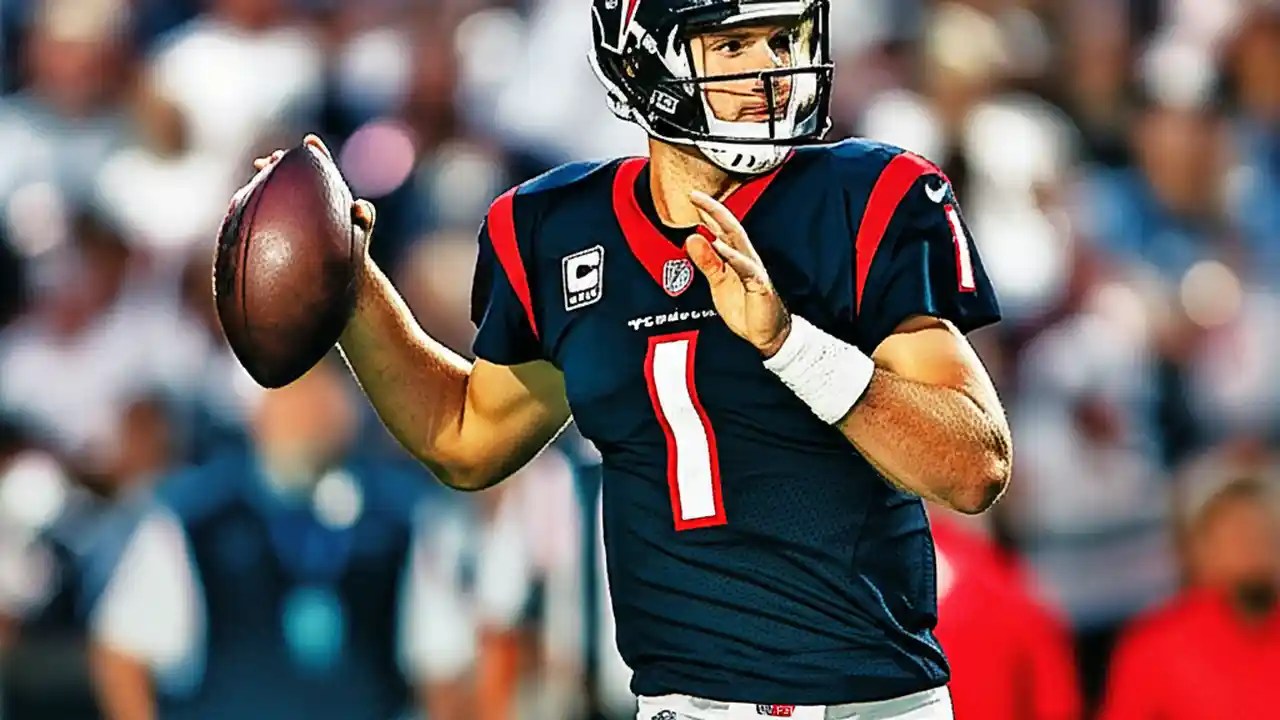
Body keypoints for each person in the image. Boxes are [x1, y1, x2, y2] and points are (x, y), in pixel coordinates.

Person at [256, 1, 1011, 717]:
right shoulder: (556, 229)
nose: (772, 71)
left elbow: (973, 467)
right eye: (732, 44)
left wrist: (791, 344)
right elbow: (463, 437)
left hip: (874, 704)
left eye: (783, 38)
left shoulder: (865, 197)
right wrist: (352, 286)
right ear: (642, 56)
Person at [87, 361, 475, 720]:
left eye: (318, 395)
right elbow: (123, 652)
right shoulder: (195, 517)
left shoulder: (401, 518)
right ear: (257, 410)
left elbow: (442, 666)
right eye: (290, 396)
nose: (304, 415)